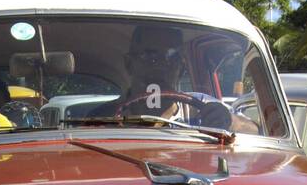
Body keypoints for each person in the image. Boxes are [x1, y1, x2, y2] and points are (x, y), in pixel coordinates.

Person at [89, 25, 239, 130]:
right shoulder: (103, 117)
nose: (160, 66)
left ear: (181, 69)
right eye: (150, 56)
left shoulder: (202, 105)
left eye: (171, 58)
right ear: (129, 64)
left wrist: (228, 120)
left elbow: (254, 128)